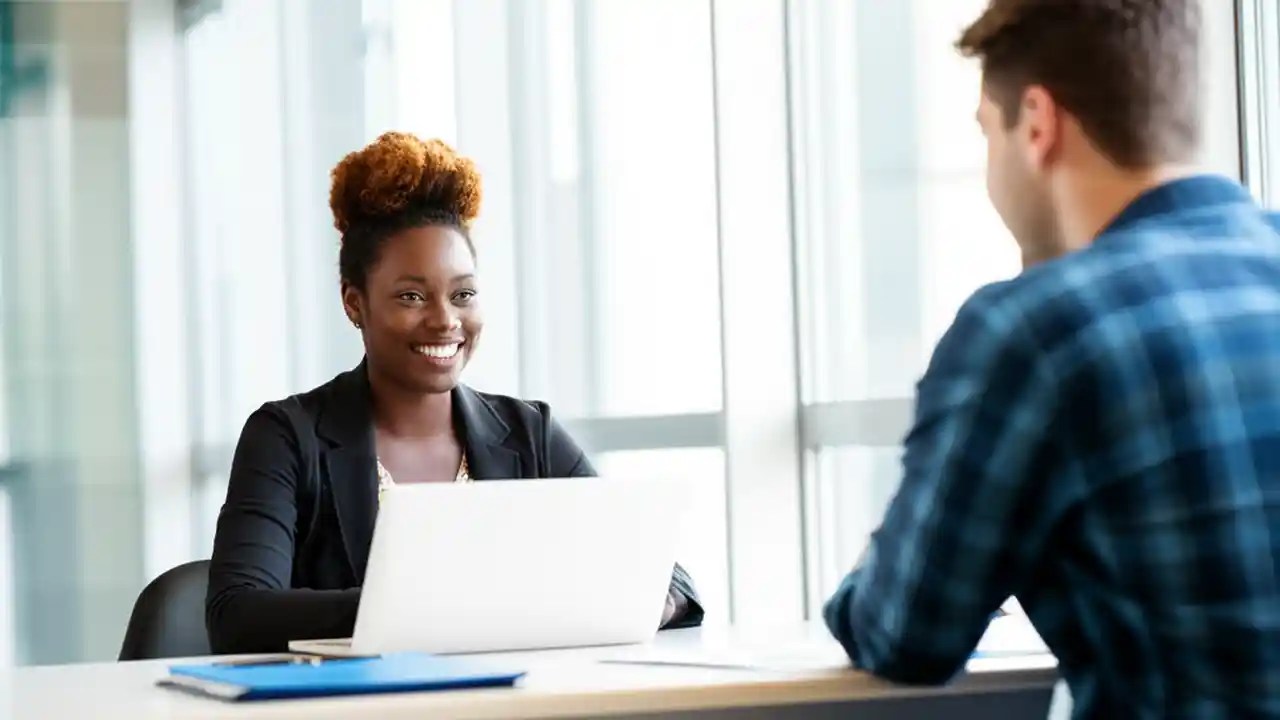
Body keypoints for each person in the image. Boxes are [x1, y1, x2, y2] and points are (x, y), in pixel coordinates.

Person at [823, 1, 1280, 717]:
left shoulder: (1035, 332)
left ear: (1036, 124)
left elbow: (905, 633)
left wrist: (879, 562)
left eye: (986, 132)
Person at [206, 132, 704, 654]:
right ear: (355, 303)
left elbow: (672, 582)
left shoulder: (528, 432)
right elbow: (237, 614)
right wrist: (435, 608)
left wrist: (623, 601)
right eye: (412, 296)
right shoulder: (287, 436)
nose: (445, 321)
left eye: (463, 294)